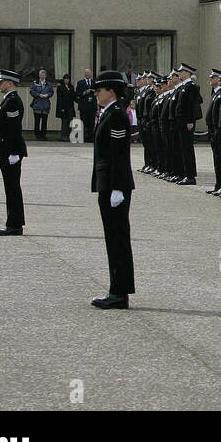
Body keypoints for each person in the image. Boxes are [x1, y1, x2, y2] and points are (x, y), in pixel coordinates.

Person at [90, 71, 136, 309]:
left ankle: (119, 293)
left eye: (99, 90)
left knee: (117, 239)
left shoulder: (116, 115)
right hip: (107, 184)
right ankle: (116, 289)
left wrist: (117, 187)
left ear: (111, 91)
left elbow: (119, 154)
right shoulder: (109, 113)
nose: (97, 93)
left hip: (114, 186)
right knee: (113, 238)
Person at [0, 70, 28, 236]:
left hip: (10, 151)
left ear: (10, 83)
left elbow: (14, 129)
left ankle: (14, 224)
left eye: (2, 82)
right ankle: (13, 222)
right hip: (6, 150)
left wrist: (13, 152)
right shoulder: (8, 100)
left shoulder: (12, 102)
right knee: (10, 187)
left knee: (12, 188)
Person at [29, 69, 54, 139]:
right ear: (39, 75)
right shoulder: (35, 83)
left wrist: (47, 95)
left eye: (43, 74)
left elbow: (51, 92)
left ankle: (43, 135)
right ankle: (37, 134)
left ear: (45, 76)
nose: (42, 76)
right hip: (37, 105)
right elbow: (31, 91)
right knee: (37, 121)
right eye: (41, 74)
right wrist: (38, 94)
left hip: (45, 105)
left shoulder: (48, 84)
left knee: (44, 121)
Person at [77, 69, 97, 142]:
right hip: (84, 106)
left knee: (91, 123)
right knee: (83, 122)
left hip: (92, 106)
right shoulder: (80, 83)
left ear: (91, 74)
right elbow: (78, 94)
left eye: (89, 73)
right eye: (86, 73)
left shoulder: (94, 83)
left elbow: (98, 92)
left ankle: (90, 138)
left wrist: (94, 92)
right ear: (84, 74)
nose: (88, 74)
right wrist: (85, 92)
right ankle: (83, 137)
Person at [56, 74, 77, 141]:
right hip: (63, 107)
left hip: (70, 106)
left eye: (68, 79)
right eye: (65, 79)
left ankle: (69, 136)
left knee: (70, 121)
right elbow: (59, 98)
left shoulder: (71, 87)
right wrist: (61, 107)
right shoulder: (60, 87)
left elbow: (73, 96)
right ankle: (64, 136)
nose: (66, 80)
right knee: (64, 122)